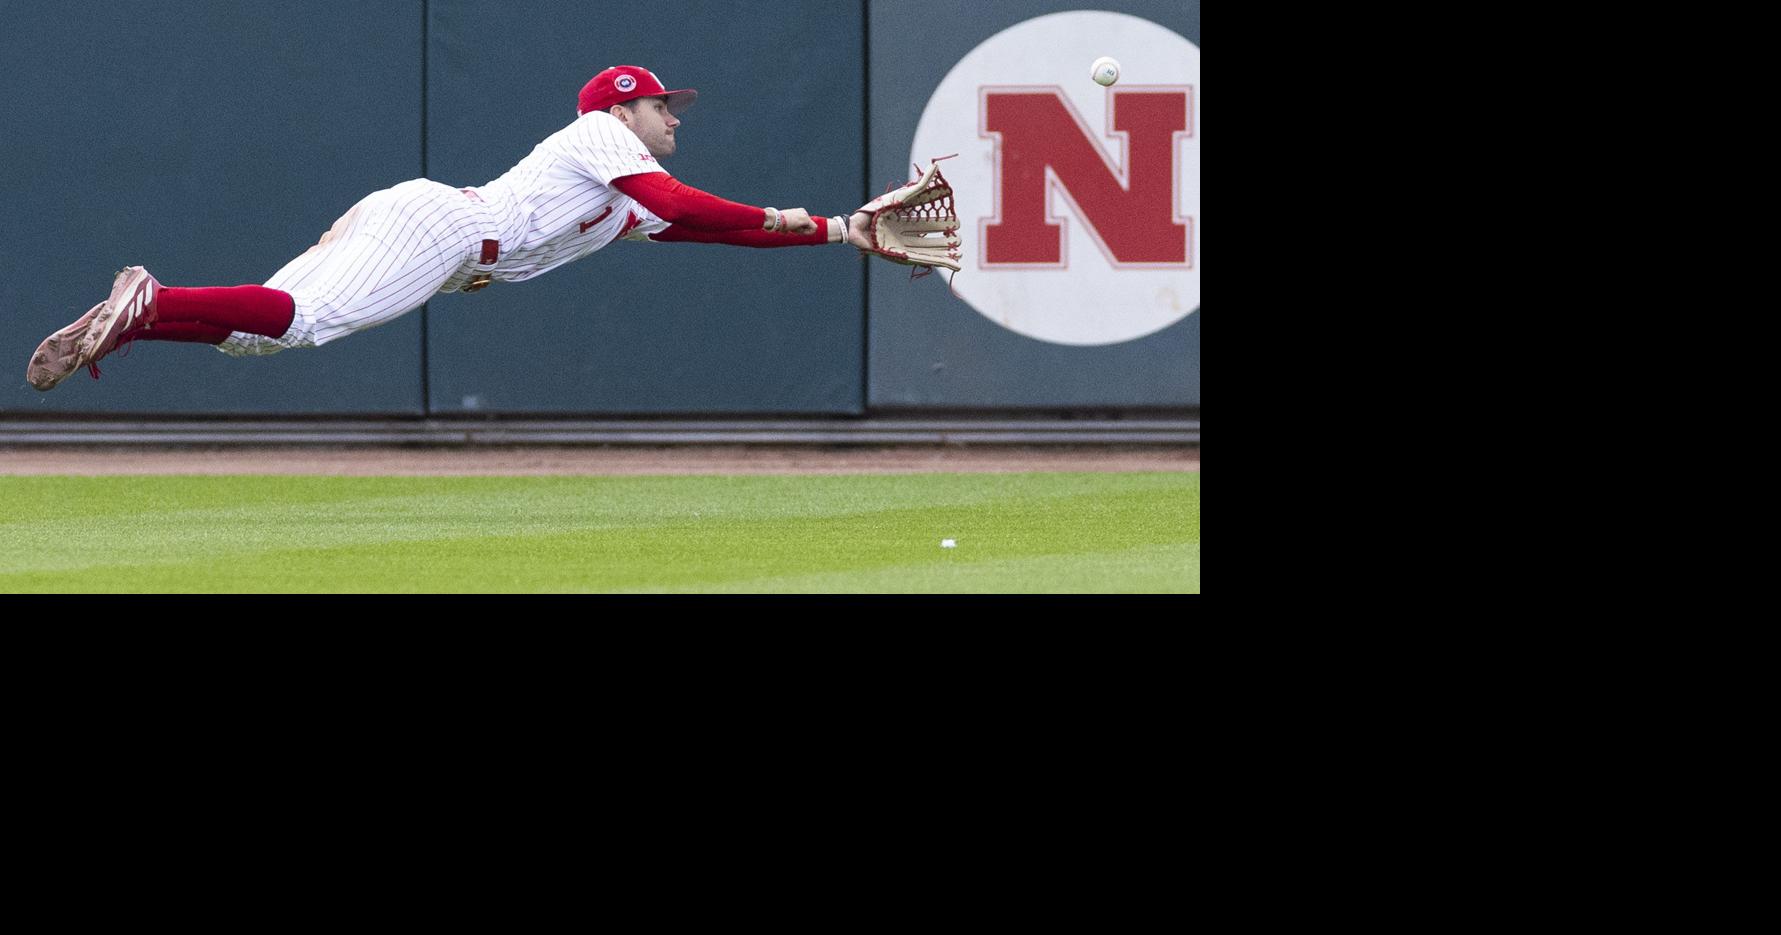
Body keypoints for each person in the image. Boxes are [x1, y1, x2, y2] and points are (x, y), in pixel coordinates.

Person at [27, 65, 872, 391]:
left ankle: (128, 324)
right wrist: (775, 210)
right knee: (307, 322)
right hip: (443, 233)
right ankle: (152, 297)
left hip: (429, 233)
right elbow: (691, 206)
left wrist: (837, 231)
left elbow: (696, 232)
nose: (672, 116)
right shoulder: (599, 137)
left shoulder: (622, 197)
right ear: (622, 107)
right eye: (662, 104)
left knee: (262, 335)